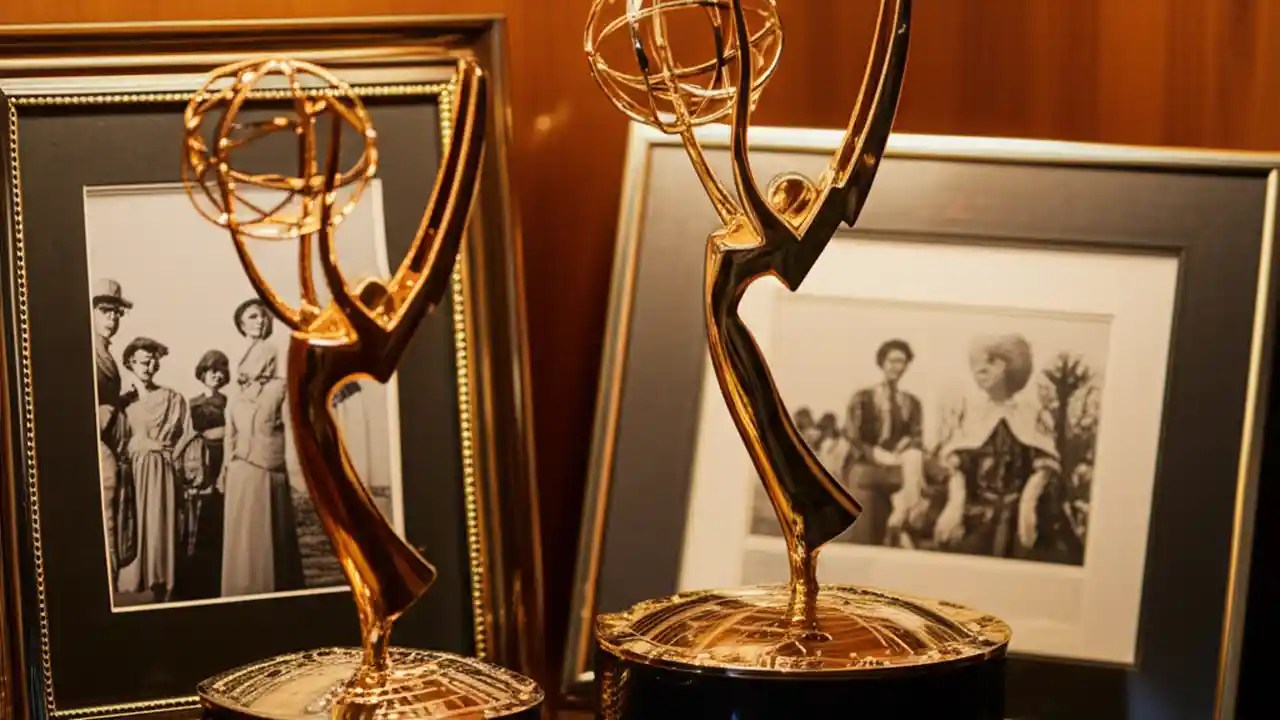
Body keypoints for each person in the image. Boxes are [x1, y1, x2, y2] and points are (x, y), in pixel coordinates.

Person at [934, 334, 1060, 559]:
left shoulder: (1029, 413)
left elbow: (1044, 464)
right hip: (977, 509)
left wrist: (1028, 505)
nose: (979, 371)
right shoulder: (973, 413)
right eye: (976, 366)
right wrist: (956, 500)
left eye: (990, 363)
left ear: (1008, 366)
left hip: (1019, 511)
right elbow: (955, 464)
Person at [220, 299, 304, 597]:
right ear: (242, 326)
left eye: (263, 317)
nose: (260, 322)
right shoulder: (236, 391)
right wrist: (226, 466)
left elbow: (292, 432)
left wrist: (292, 473)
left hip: (269, 469)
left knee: (270, 544)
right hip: (240, 468)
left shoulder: (280, 388)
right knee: (243, 540)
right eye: (252, 317)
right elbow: (230, 429)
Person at [115, 337, 187, 603]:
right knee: (134, 521)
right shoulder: (123, 402)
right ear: (130, 363)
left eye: (153, 359)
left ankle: (161, 580)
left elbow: (182, 438)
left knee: (159, 520)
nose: (149, 364)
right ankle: (133, 582)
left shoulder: (172, 398)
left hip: (162, 468)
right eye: (143, 360)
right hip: (134, 470)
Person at [841, 339, 925, 546]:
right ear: (882, 363)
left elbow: (916, 435)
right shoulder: (862, 398)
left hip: (898, 460)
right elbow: (852, 435)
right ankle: (904, 515)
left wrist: (902, 448)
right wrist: (875, 453)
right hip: (867, 460)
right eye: (892, 361)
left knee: (915, 458)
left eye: (902, 362)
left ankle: (901, 514)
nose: (897, 366)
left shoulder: (912, 402)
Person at [173, 350, 230, 600]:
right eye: (211, 370)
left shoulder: (228, 402)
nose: (216, 375)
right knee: (197, 514)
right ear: (202, 373)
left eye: (220, 370)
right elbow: (185, 435)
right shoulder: (192, 403)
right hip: (200, 459)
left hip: (223, 457)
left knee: (219, 514)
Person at [91, 278, 133, 579]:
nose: (112, 318)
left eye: (117, 312)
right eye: (106, 310)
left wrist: (123, 400)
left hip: (109, 443)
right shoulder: (86, 349)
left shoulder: (106, 352)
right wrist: (107, 412)